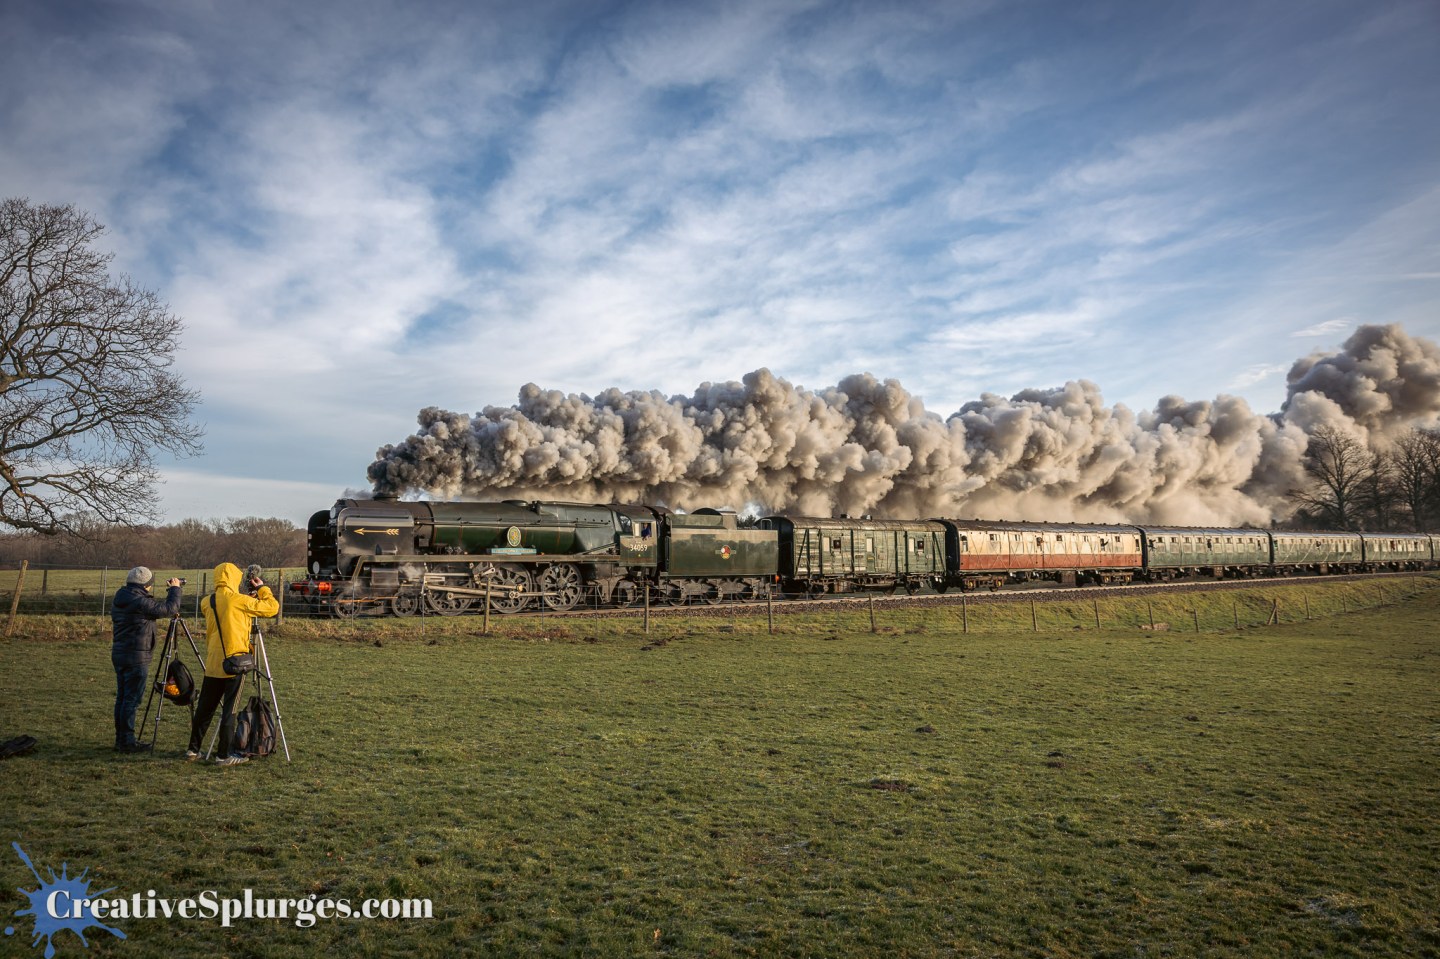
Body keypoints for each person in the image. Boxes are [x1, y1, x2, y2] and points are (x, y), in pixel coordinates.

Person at [188, 562, 278, 767]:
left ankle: (193, 749)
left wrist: (246, 603)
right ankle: (223, 755)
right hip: (234, 663)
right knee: (230, 709)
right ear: (234, 579)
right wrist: (262, 589)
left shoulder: (206, 601)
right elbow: (272, 608)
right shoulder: (239, 600)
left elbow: (226, 614)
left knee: (205, 708)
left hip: (213, 661)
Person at [110, 566, 183, 753]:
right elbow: (169, 609)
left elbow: (156, 609)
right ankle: (127, 742)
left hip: (120, 654)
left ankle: (121, 739)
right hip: (137, 656)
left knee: (123, 698)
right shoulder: (139, 602)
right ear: (146, 585)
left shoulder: (122, 597)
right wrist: (175, 589)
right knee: (131, 700)